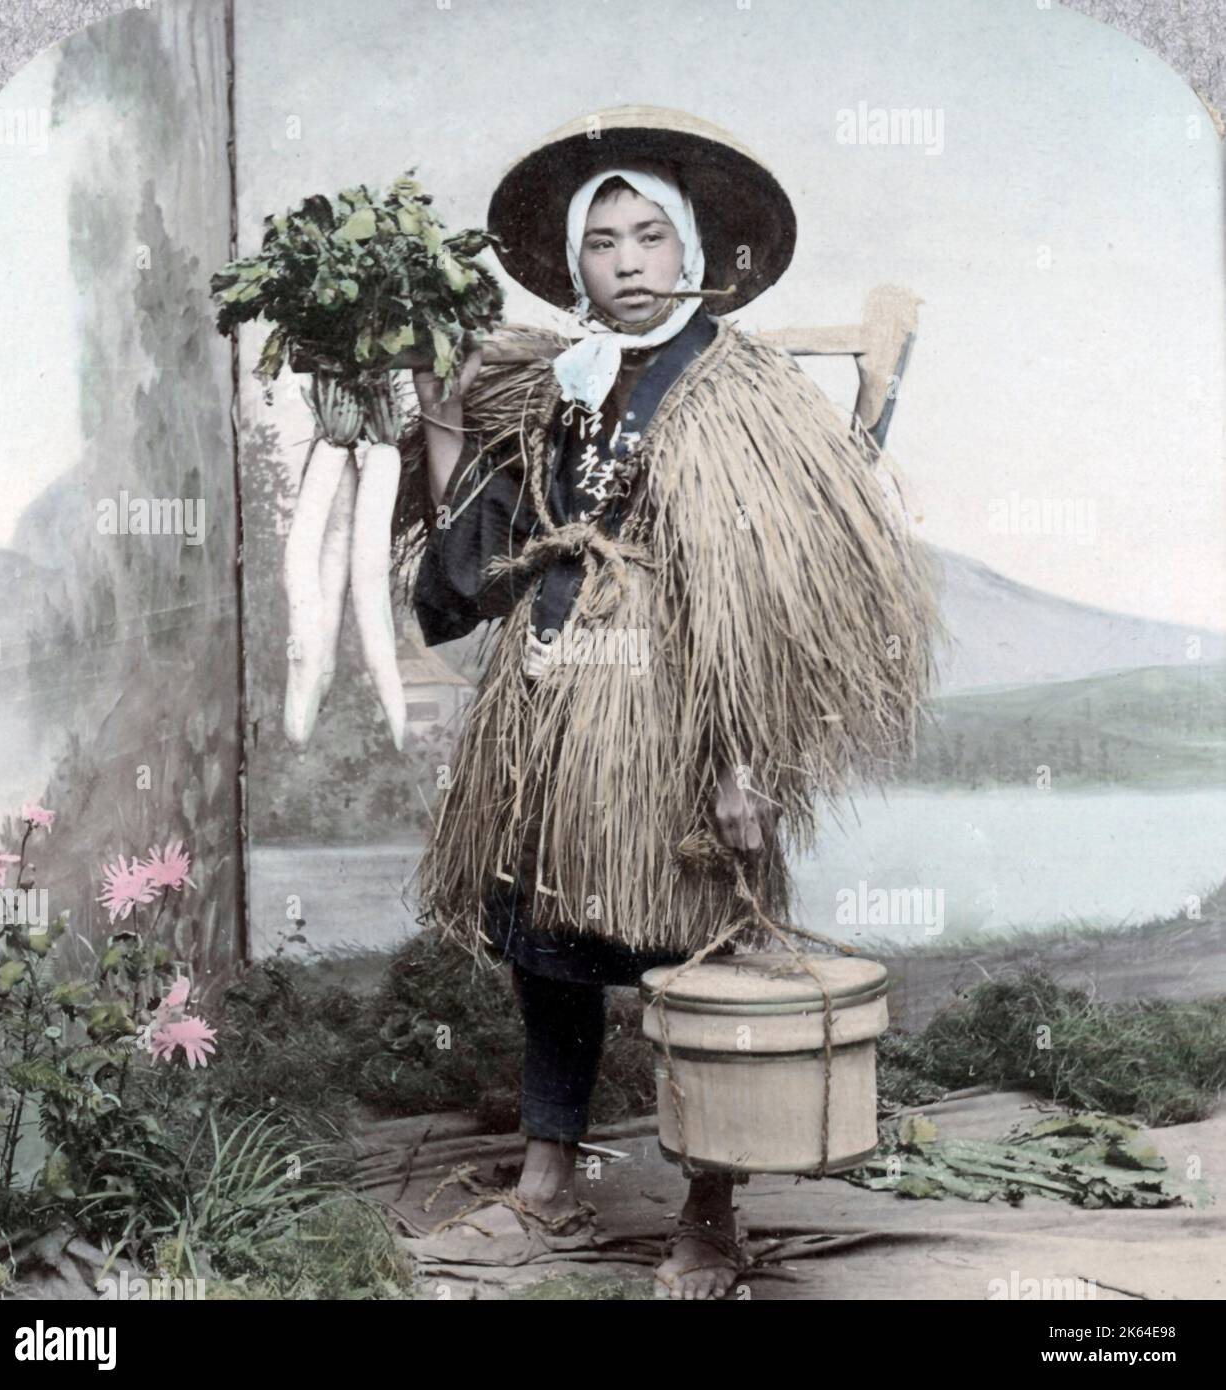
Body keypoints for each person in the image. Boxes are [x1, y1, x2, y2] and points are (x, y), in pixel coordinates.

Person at [399, 107, 940, 1299]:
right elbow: (471, 574)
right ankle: (544, 1187)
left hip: (681, 721)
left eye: (651, 235)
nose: (628, 261)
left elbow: (770, 599)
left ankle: (708, 1212)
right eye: (603, 243)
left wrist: (742, 763)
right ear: (575, 266)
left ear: (691, 251)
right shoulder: (551, 388)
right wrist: (440, 415)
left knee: (697, 953)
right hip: (547, 712)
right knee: (548, 945)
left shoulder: (740, 394)